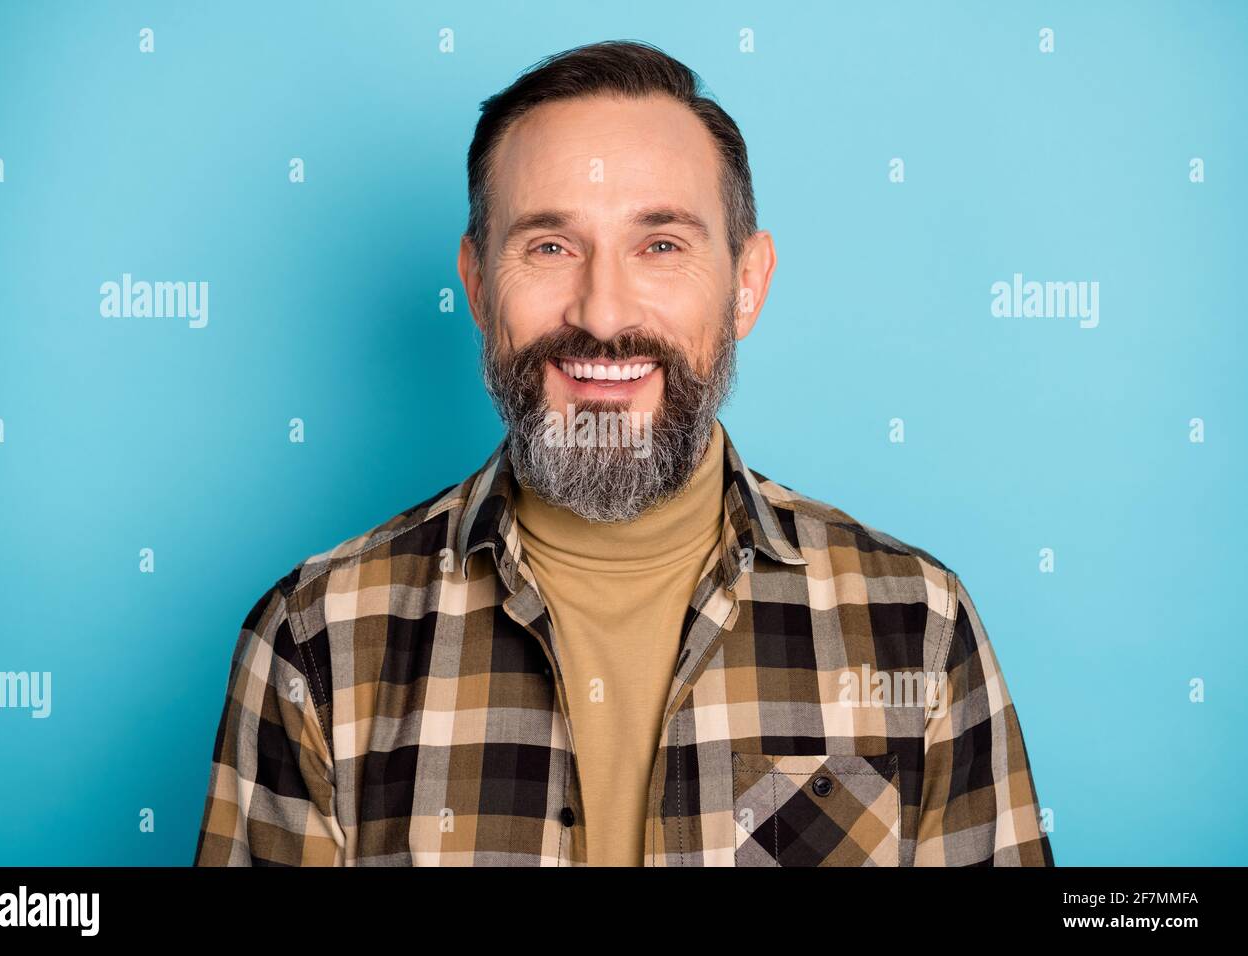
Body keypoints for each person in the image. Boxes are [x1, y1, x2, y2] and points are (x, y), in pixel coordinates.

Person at [194, 39, 1052, 867]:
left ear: (746, 284)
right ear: (480, 285)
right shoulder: (315, 643)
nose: (603, 315)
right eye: (551, 247)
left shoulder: (916, 627)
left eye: (662, 246)